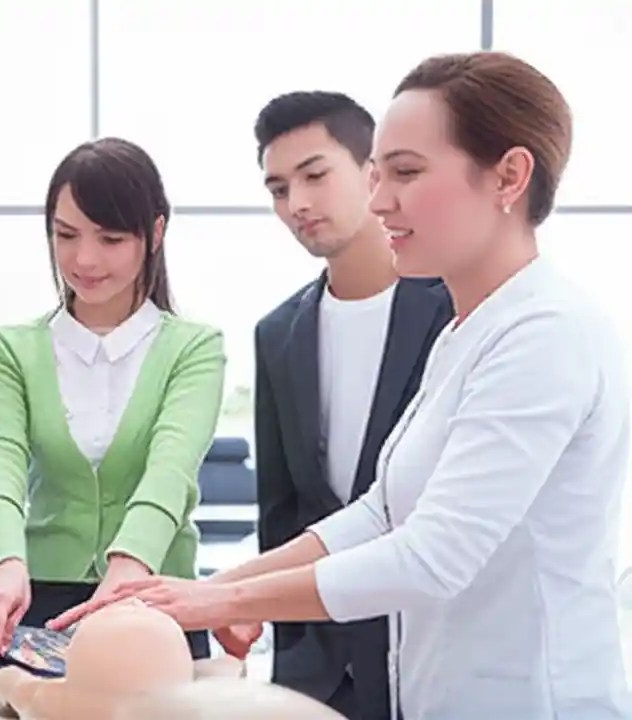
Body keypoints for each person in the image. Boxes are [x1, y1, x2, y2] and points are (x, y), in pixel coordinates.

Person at [50, 51, 632, 719]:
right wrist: (206, 586)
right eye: (380, 174)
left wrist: (222, 603)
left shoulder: (546, 333)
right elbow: (382, 511)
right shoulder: (466, 333)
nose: (380, 199)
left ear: (509, 175)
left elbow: (433, 554)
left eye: (407, 173)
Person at [0, 137, 227, 663]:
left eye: (110, 238)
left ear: (155, 234)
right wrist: (2, 562)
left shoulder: (195, 348)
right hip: (36, 605)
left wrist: (130, 568)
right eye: (66, 235)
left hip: (154, 598)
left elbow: (170, 471)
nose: (84, 259)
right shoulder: (12, 349)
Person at [247, 91, 453, 718]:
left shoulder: (454, 311)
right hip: (317, 675)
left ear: (372, 173)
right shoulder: (277, 332)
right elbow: (282, 513)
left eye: (315, 175)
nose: (297, 204)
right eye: (279, 188)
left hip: (426, 655)